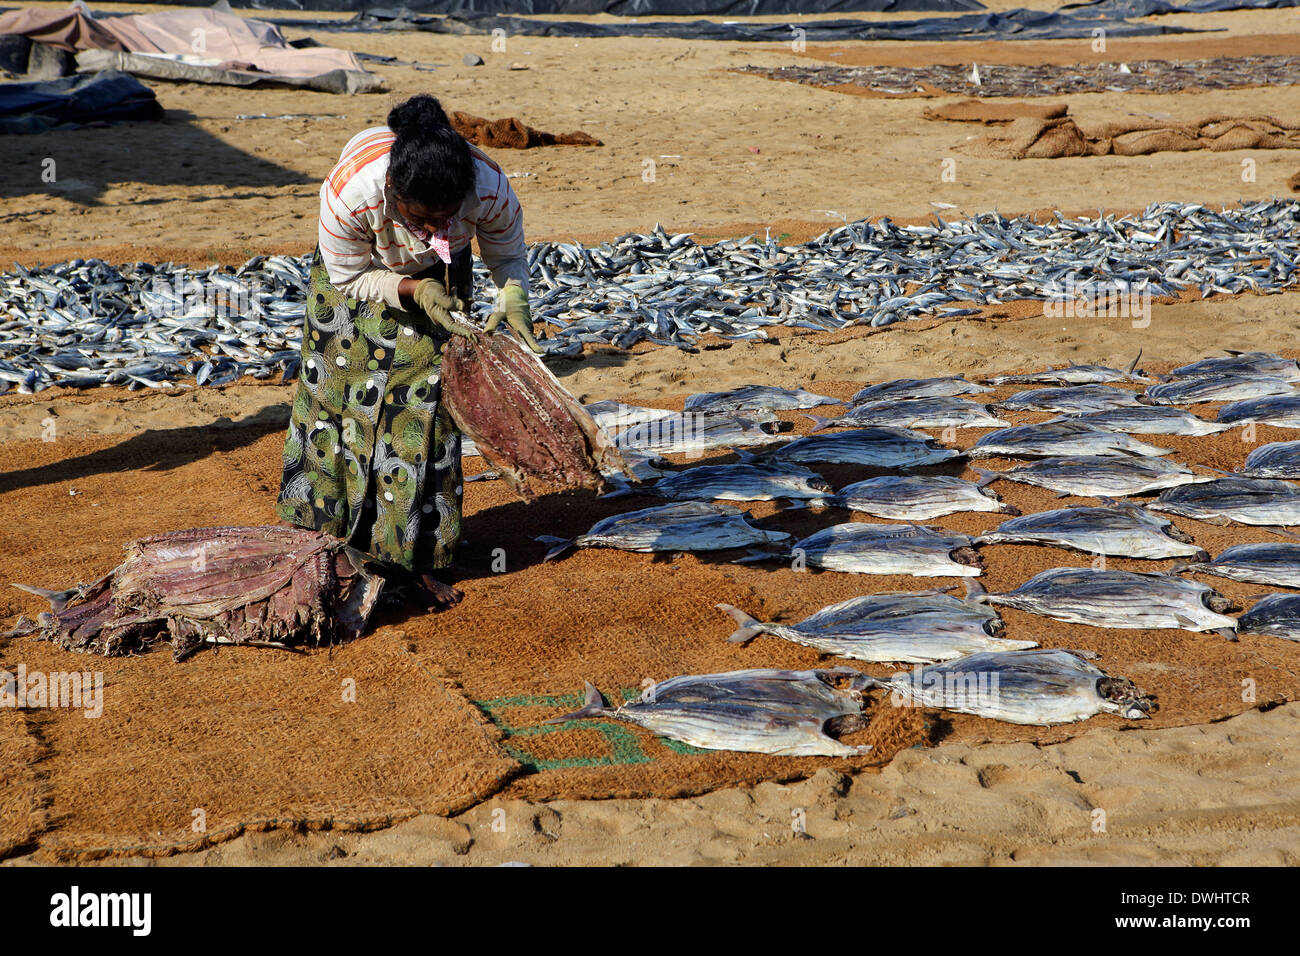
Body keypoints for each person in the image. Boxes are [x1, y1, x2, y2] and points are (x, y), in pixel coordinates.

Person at [276, 94, 539, 608]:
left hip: (443, 275)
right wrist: (413, 289)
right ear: (393, 192)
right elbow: (348, 276)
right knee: (338, 399)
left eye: (448, 217)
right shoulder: (352, 193)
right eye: (422, 218)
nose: (437, 230)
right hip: (357, 279)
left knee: (426, 410)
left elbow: (507, 253)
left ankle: (411, 557)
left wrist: (513, 296)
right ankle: (326, 536)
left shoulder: (488, 187)